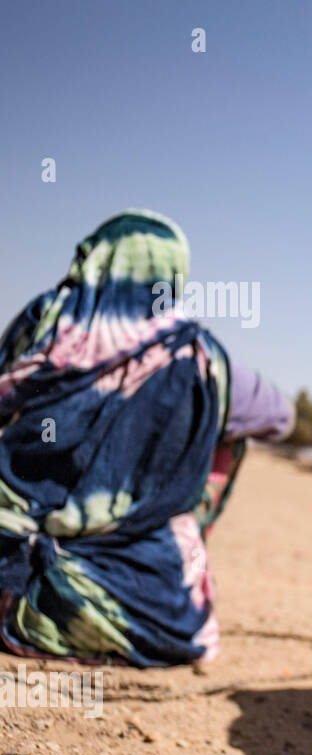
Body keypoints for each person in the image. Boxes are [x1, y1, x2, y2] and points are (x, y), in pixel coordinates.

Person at [0, 210, 293, 667]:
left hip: (9, 568)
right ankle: (170, 547)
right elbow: (279, 416)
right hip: (147, 607)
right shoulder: (197, 357)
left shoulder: (47, 322)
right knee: (224, 422)